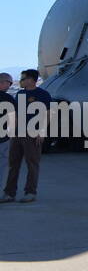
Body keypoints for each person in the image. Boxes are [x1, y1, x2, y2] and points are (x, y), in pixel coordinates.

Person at [3, 69, 52, 203]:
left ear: (31, 80)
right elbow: (17, 114)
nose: (21, 80)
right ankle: (9, 193)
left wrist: (42, 132)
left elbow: (47, 114)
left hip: (33, 134)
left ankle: (30, 192)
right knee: (13, 164)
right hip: (18, 134)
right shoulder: (20, 94)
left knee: (32, 163)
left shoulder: (43, 94)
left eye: (23, 78)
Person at [0, 73, 13, 177]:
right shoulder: (8, 98)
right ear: (3, 82)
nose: (10, 86)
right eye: (9, 83)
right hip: (3, 138)